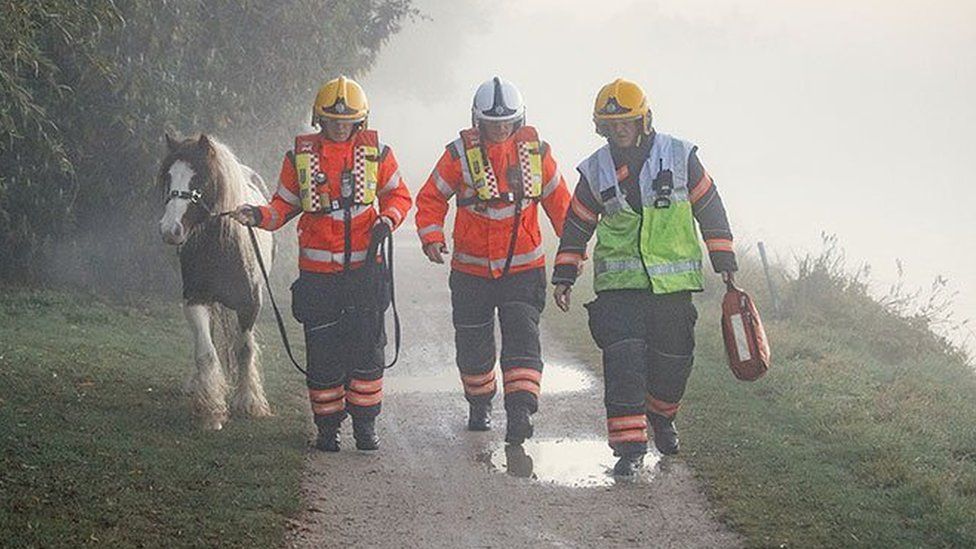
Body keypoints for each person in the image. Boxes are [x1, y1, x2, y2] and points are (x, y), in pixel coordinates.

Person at [551, 78, 738, 476]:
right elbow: (578, 223)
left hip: (672, 289)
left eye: (626, 123)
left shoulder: (680, 155)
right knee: (624, 364)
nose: (619, 131)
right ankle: (629, 450)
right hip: (619, 290)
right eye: (610, 125)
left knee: (674, 362)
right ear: (601, 127)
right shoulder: (596, 169)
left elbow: (709, 205)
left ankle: (663, 417)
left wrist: (725, 263)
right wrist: (565, 274)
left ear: (644, 121)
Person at [230, 76, 412, 452]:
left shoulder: (378, 153)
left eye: (347, 121)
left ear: (360, 121)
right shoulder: (300, 158)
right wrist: (257, 215)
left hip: (365, 271)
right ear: (319, 119)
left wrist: (387, 220)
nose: (339, 126)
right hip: (319, 278)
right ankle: (327, 430)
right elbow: (282, 206)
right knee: (323, 352)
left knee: (367, 349)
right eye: (332, 120)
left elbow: (398, 194)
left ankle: (366, 428)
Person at [415, 77, 571, 443]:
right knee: (473, 344)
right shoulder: (457, 155)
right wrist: (431, 237)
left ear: (518, 120)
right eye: (492, 123)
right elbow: (431, 198)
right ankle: (479, 402)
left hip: (523, 270)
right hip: (471, 272)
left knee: (523, 338)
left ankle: (520, 412)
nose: (500, 129)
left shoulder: (538, 154)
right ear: (477, 122)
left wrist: (572, 254)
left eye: (506, 122)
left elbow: (563, 207)